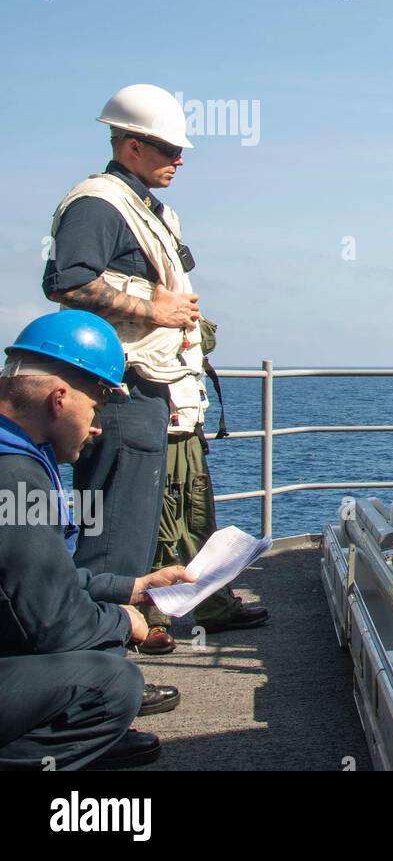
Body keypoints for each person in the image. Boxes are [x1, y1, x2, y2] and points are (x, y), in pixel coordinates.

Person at [43, 84, 268, 654]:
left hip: (150, 393)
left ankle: (117, 654)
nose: (179, 159)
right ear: (130, 144)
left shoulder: (148, 208)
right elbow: (67, 281)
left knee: (136, 530)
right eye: (168, 148)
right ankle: (98, 671)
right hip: (117, 395)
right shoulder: (98, 203)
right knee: (113, 540)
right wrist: (156, 308)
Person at [0, 311, 193, 771]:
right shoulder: (16, 479)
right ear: (60, 399)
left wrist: (131, 588)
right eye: (99, 406)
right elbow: (53, 624)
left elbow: (31, 579)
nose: (97, 426)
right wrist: (126, 624)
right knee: (110, 682)